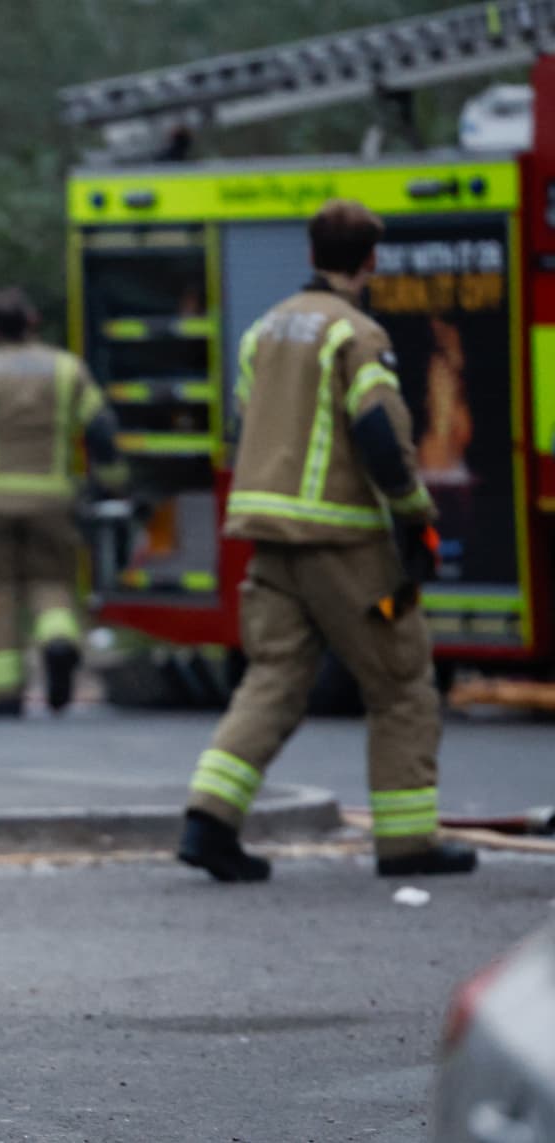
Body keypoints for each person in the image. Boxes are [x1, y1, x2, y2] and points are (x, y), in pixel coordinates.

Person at [177, 199, 476, 882]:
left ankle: (208, 821)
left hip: (272, 548)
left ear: (311, 254)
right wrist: (414, 517)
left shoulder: (265, 331)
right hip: (350, 554)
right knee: (400, 678)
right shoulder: (357, 335)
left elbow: (248, 421)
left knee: (274, 676)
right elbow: (378, 433)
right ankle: (407, 844)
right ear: (370, 260)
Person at [0, 288, 125, 717]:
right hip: (52, 498)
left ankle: (5, 693)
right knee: (52, 584)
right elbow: (100, 429)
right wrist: (113, 482)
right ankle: (59, 642)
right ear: (34, 320)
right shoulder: (66, 369)